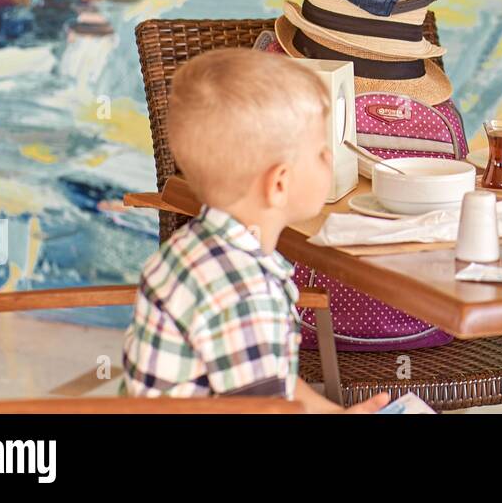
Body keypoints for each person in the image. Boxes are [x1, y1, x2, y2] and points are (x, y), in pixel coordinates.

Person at [122, 48, 389, 412]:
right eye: (321, 150)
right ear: (279, 183)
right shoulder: (246, 294)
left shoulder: (195, 248)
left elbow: (275, 379)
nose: (331, 158)